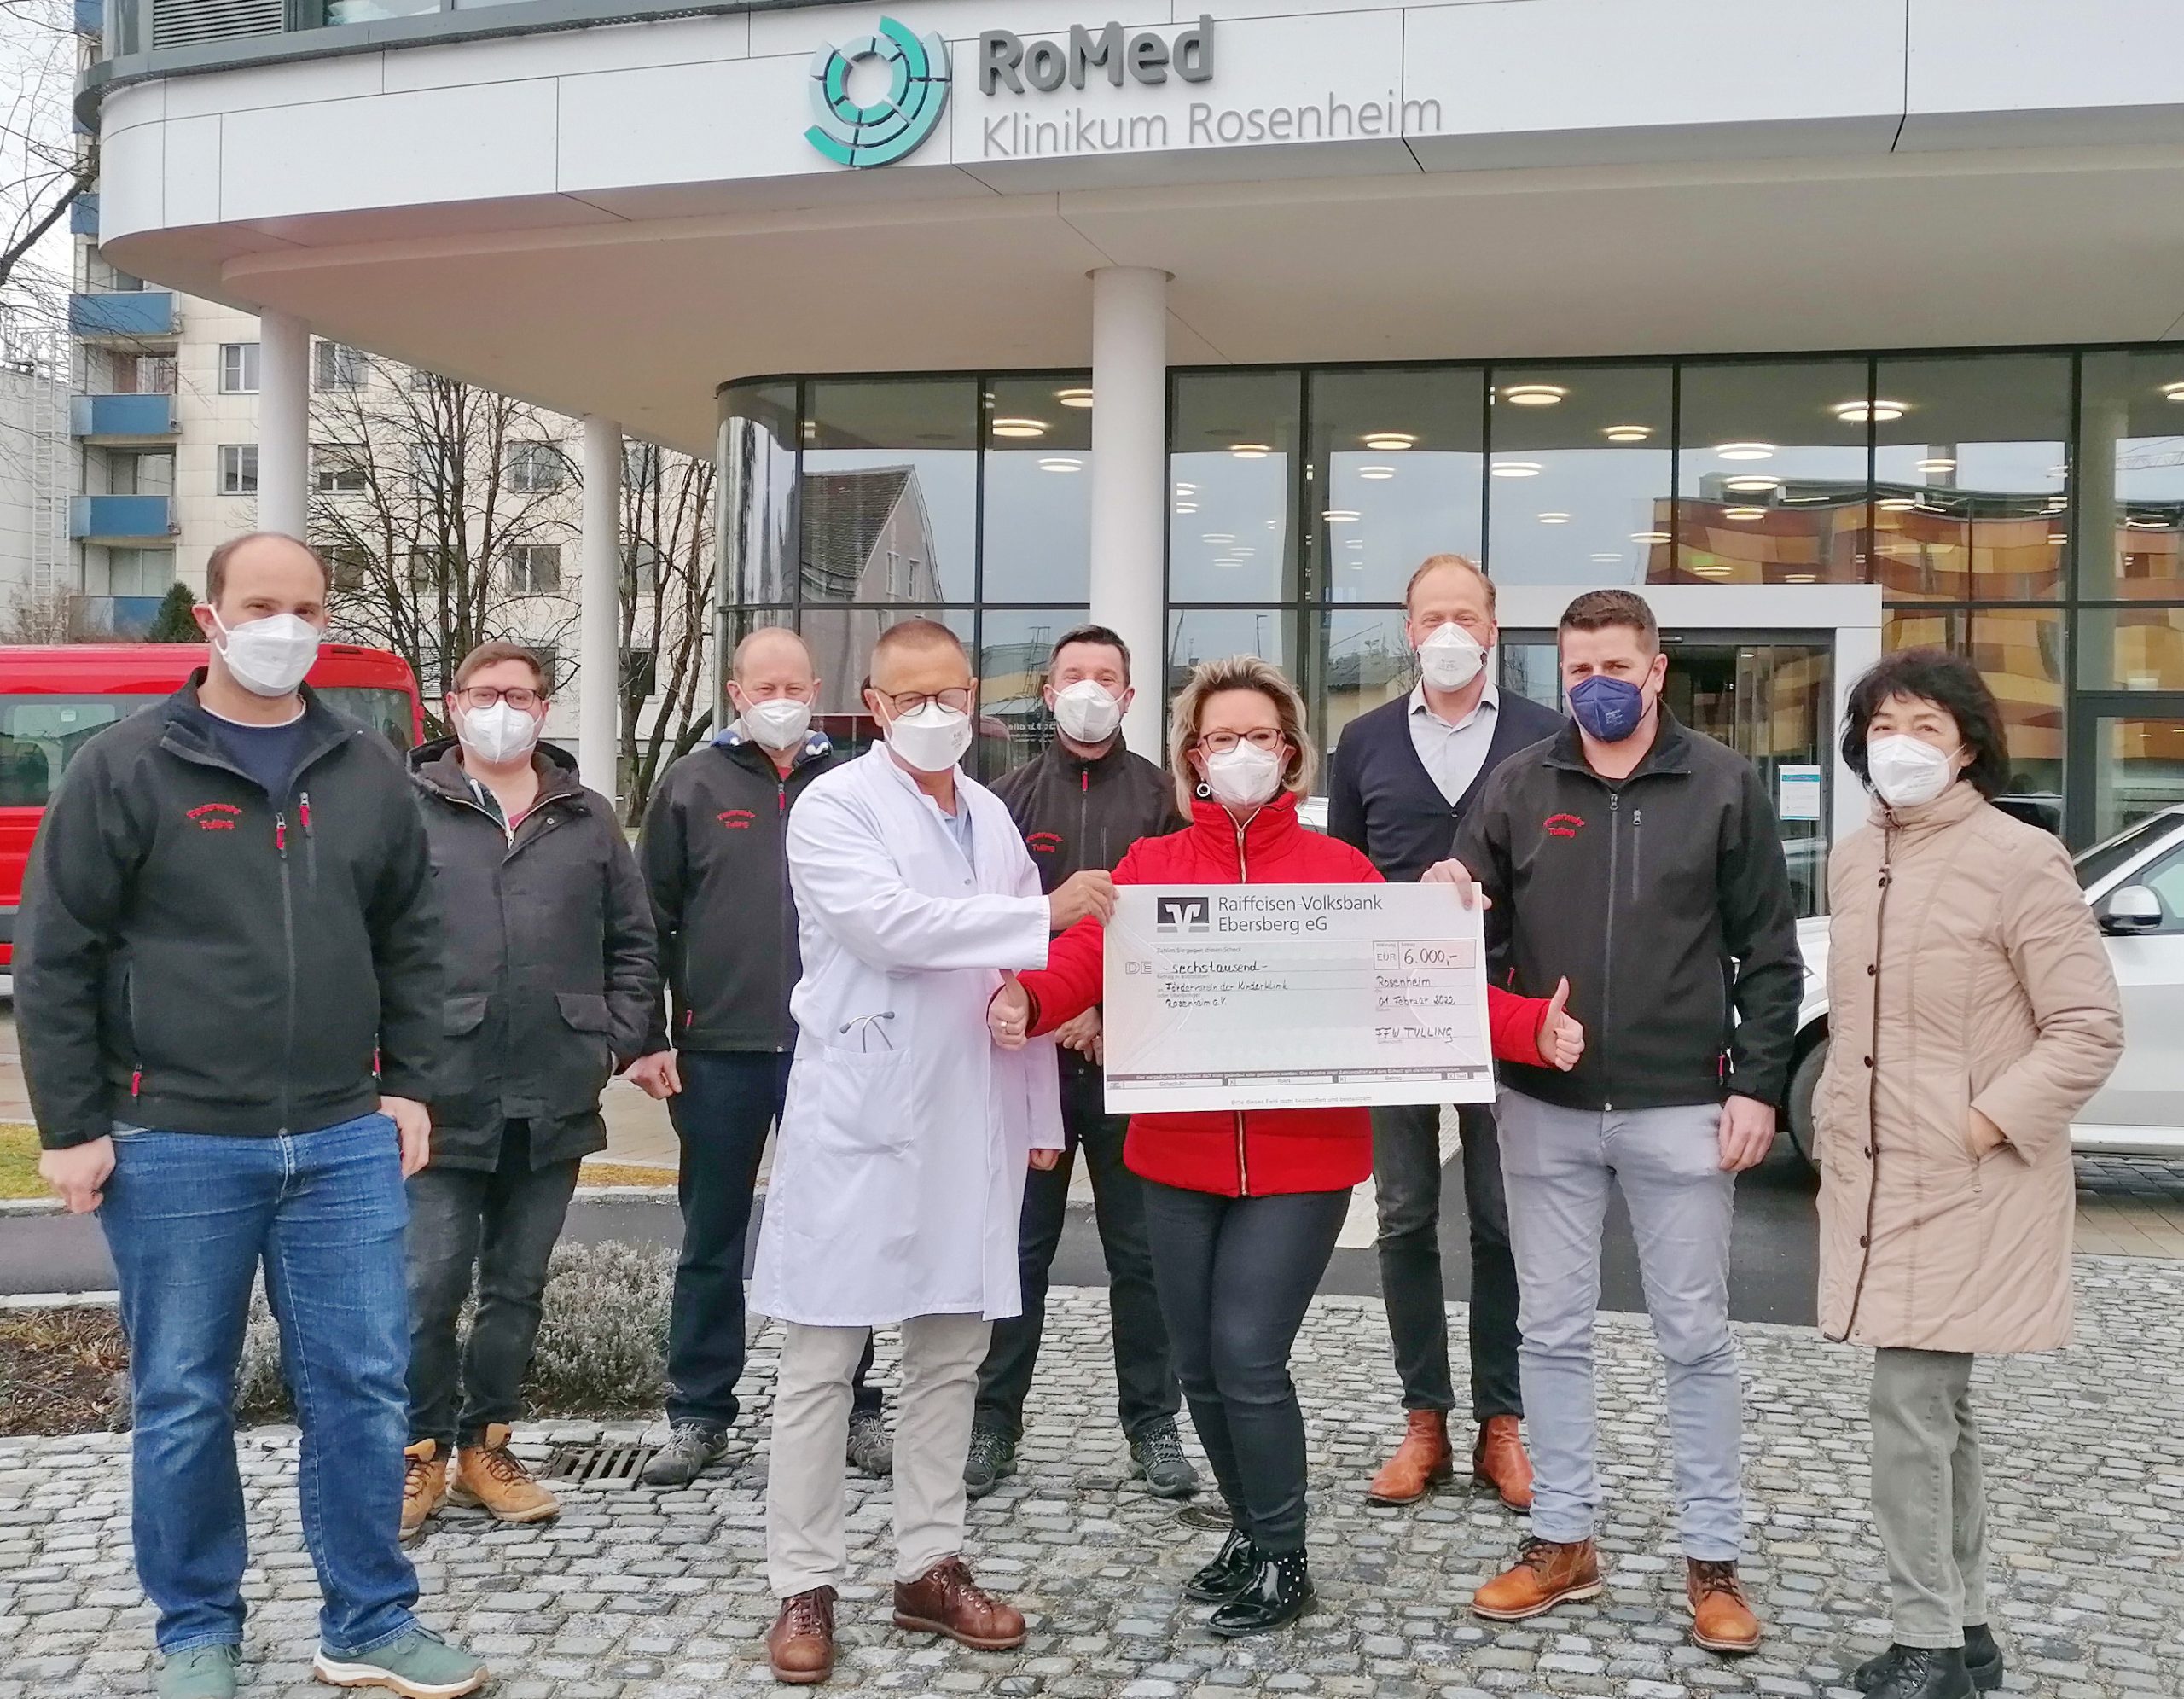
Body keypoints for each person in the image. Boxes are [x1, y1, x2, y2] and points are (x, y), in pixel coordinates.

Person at [990, 655, 1585, 1638]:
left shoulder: (1336, 871)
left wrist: (1527, 1028)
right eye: (1220, 738)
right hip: (1175, 1158)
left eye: (1258, 737)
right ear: (1192, 756)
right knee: (1198, 1366)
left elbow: (1415, 982)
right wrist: (1033, 995)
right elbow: (1085, 957)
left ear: (1291, 753)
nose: (1240, 754)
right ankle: (1248, 1535)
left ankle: (1283, 1551)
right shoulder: (1153, 867)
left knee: (1248, 1353)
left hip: (1299, 1163)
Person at [18, 532, 487, 1699]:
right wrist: (72, 1122)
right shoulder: (128, 767)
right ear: (213, 619)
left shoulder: (369, 770)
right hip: (174, 1134)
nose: (287, 624)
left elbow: (413, 940)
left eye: (307, 605)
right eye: (262, 603)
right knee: (183, 1390)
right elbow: (58, 953)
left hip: (340, 1136)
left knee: (363, 1381)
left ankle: (368, 1618)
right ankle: (197, 1627)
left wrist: (411, 1080)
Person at [1428, 587, 1800, 1655]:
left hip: (1683, 1103)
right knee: (1549, 1331)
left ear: (1655, 669)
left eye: (1616, 665)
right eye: (1578, 665)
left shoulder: (1722, 783)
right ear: (1561, 669)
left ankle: (1712, 1560)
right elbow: (1468, 936)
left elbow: (1768, 953)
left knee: (1694, 1338)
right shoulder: (1518, 782)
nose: (1596, 683)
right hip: (1543, 1108)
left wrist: (1758, 1084)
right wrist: (1447, 888)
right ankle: (1562, 1539)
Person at [753, 619, 1120, 1685]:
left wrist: (1041, 1117)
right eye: (908, 699)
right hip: (860, 1115)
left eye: (949, 696)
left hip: (972, 1115)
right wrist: (1039, 915)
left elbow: (1006, 989)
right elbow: (888, 927)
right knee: (822, 1360)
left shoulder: (992, 814)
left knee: (950, 1351)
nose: (932, 716)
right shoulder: (833, 805)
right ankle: (803, 1580)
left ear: (976, 697)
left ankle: (927, 1561)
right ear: (871, 704)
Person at [1816, 650, 2122, 1699]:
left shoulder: (2018, 858)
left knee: (1908, 1404)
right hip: (1874, 1181)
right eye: (1883, 723)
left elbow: (2085, 1027)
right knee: (1937, 1411)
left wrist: (1984, 1123)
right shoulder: (1854, 860)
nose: (1901, 742)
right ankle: (1967, 1627)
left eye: (1927, 725)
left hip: (1965, 1179)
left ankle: (1924, 1645)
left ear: (1968, 745)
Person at [399, 640, 664, 1541]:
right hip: (437, 1092)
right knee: (427, 1284)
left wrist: (615, 1036)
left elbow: (635, 940)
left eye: (519, 693)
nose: (501, 706)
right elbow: (363, 939)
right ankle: (417, 1449)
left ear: (544, 708)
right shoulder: (408, 809)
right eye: (485, 692)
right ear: (451, 703)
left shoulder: (585, 816)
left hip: (552, 1088)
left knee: (517, 1285)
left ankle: (488, 1442)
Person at [1327, 554, 1563, 1514]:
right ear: (1409, 628)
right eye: (1433, 614)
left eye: (1466, 612)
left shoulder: (1549, 737)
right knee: (1403, 1214)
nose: (1450, 629)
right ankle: (1422, 1416)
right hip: (1394, 1013)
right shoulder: (1363, 740)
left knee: (1503, 1220)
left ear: (1495, 627)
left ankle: (1501, 1421)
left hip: (1504, 1008)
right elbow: (1341, 878)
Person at [630, 626, 890, 1488]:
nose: (778, 698)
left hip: (836, 1047)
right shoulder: (690, 785)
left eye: (793, 683)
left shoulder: (857, 785)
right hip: (718, 1049)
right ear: (734, 692)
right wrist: (649, 1032)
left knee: (845, 1229)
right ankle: (698, 1411)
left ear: (816, 687)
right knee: (713, 1234)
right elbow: (645, 923)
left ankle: (855, 1405)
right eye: (760, 684)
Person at [967, 624, 1196, 1502]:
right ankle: (994, 1420)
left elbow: (1181, 921)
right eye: (1073, 675)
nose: (1089, 689)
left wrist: (1105, 1006)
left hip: (1132, 1059)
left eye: (1106, 676)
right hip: (1029, 1056)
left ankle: (1153, 1422)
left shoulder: (1164, 797)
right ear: (1048, 689)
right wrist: (1052, 1005)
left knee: (1140, 1251)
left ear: (1131, 696)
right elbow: (985, 922)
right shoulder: (1003, 799)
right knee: (1016, 1244)